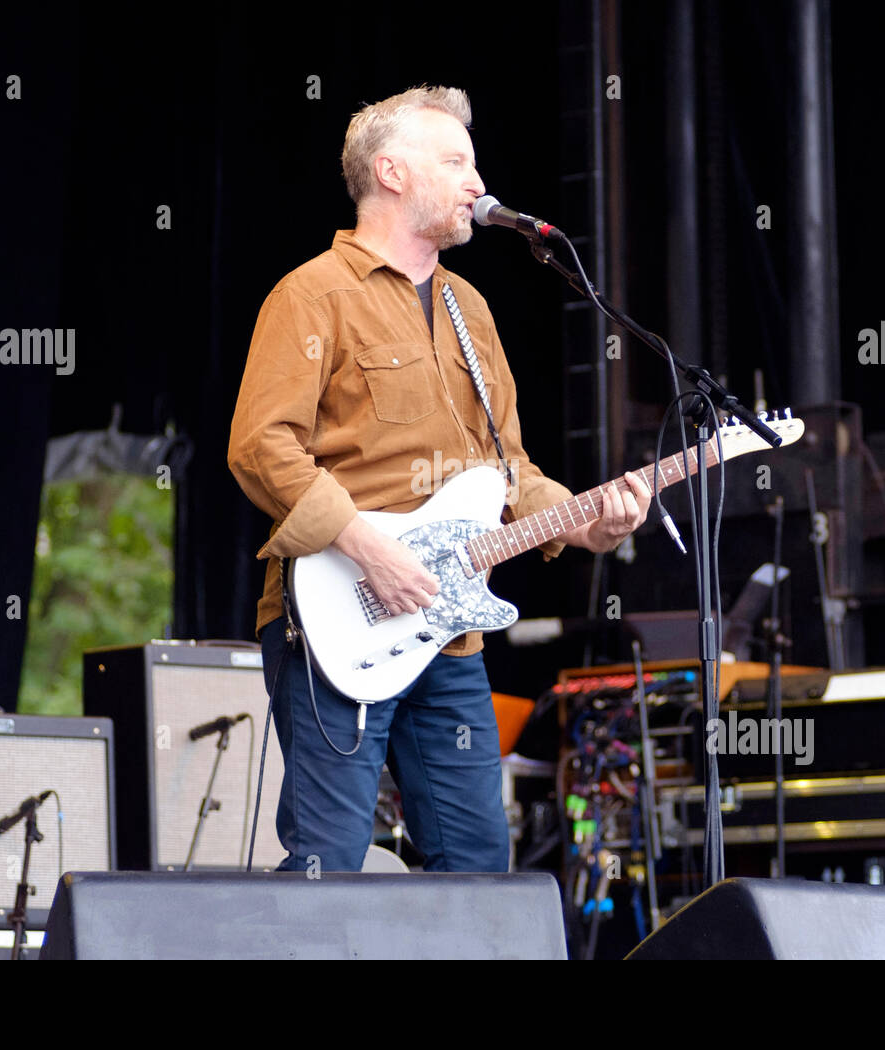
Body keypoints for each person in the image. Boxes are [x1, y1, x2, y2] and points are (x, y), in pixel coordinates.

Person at [228, 86, 649, 873]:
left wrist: (587, 522)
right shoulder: (312, 294)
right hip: (333, 618)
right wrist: (368, 547)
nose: (476, 181)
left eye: (474, 161)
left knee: (481, 870)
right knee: (329, 863)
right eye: (455, 161)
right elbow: (261, 447)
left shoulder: (471, 309)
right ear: (389, 171)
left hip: (450, 634)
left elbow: (508, 470)